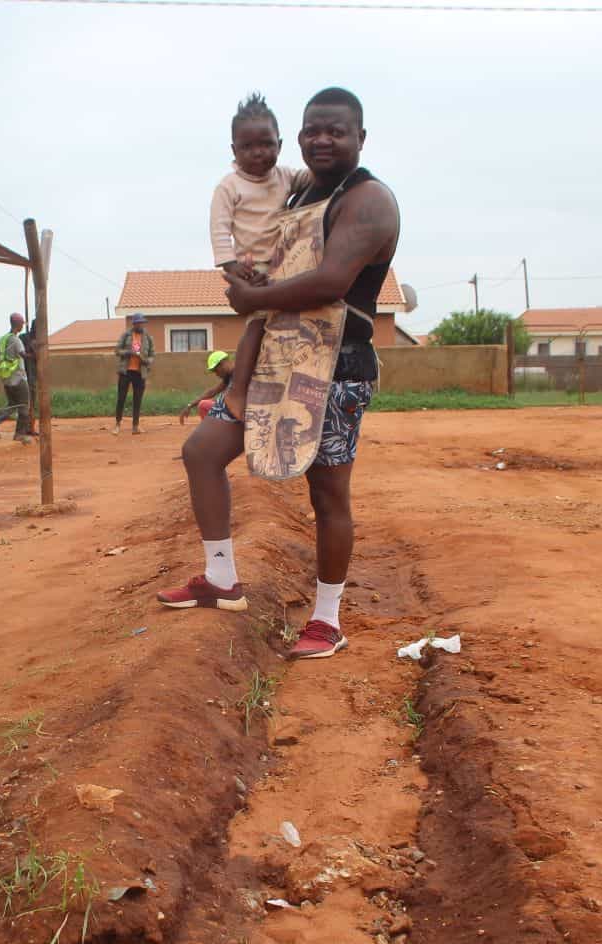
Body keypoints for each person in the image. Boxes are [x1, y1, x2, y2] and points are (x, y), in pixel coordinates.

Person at [158, 87, 400, 662]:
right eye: (312, 129)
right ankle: (221, 580)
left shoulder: (369, 201)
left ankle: (326, 619)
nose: (322, 139)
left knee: (327, 491)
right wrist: (236, 367)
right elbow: (264, 269)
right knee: (202, 451)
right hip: (273, 357)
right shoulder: (296, 194)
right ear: (300, 136)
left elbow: (332, 281)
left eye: (336, 131)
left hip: (336, 366)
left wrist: (248, 299)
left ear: (360, 138)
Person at [210, 92, 307, 419]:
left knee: (290, 327)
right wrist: (233, 268)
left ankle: (285, 389)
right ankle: (238, 390)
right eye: (248, 147)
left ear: (279, 144)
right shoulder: (230, 186)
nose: (258, 153)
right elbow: (219, 228)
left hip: (289, 265)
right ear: (234, 150)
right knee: (255, 326)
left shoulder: (285, 177)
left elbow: (314, 179)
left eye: (266, 144)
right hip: (253, 269)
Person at [0, 312, 33, 443]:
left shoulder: (3, 339)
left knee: (12, 404)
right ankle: (20, 434)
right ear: (18, 324)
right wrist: (35, 355)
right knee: (24, 405)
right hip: (18, 378)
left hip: (6, 377)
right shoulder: (15, 340)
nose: (22, 326)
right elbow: (23, 355)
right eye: (22, 323)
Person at [112, 313, 155, 436]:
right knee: (121, 398)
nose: (140, 325)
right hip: (126, 371)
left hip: (140, 372)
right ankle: (117, 425)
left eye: (142, 323)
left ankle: (135, 426)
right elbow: (117, 350)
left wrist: (146, 360)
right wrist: (129, 352)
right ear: (134, 324)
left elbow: (152, 355)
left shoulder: (148, 337)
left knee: (138, 399)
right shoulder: (126, 335)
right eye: (138, 323)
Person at [181, 350, 234, 423]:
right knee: (203, 405)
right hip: (230, 411)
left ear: (222, 363)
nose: (216, 374)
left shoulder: (241, 373)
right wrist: (190, 405)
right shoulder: (229, 377)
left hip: (241, 414)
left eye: (216, 370)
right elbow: (212, 392)